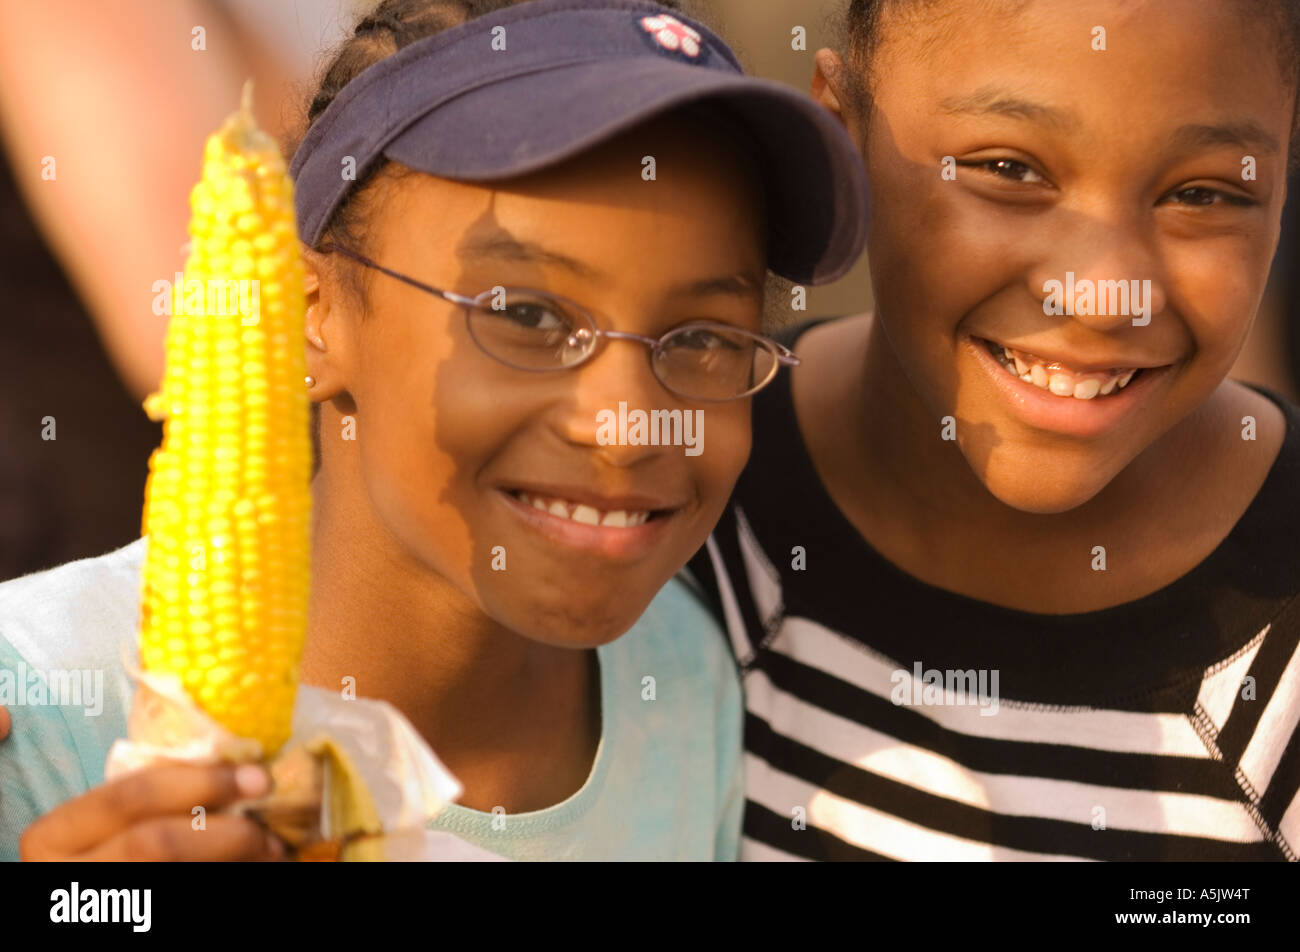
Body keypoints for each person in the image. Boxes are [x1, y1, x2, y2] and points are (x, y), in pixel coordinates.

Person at [0, 0, 868, 861]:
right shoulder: (38, 715)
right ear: (308, 314)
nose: (621, 427)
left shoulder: (683, 680)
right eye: (525, 315)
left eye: (706, 339)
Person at [689, 0, 1300, 860]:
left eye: (1203, 193)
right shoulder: (674, 512)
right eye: (1010, 169)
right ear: (841, 140)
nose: (1098, 294)